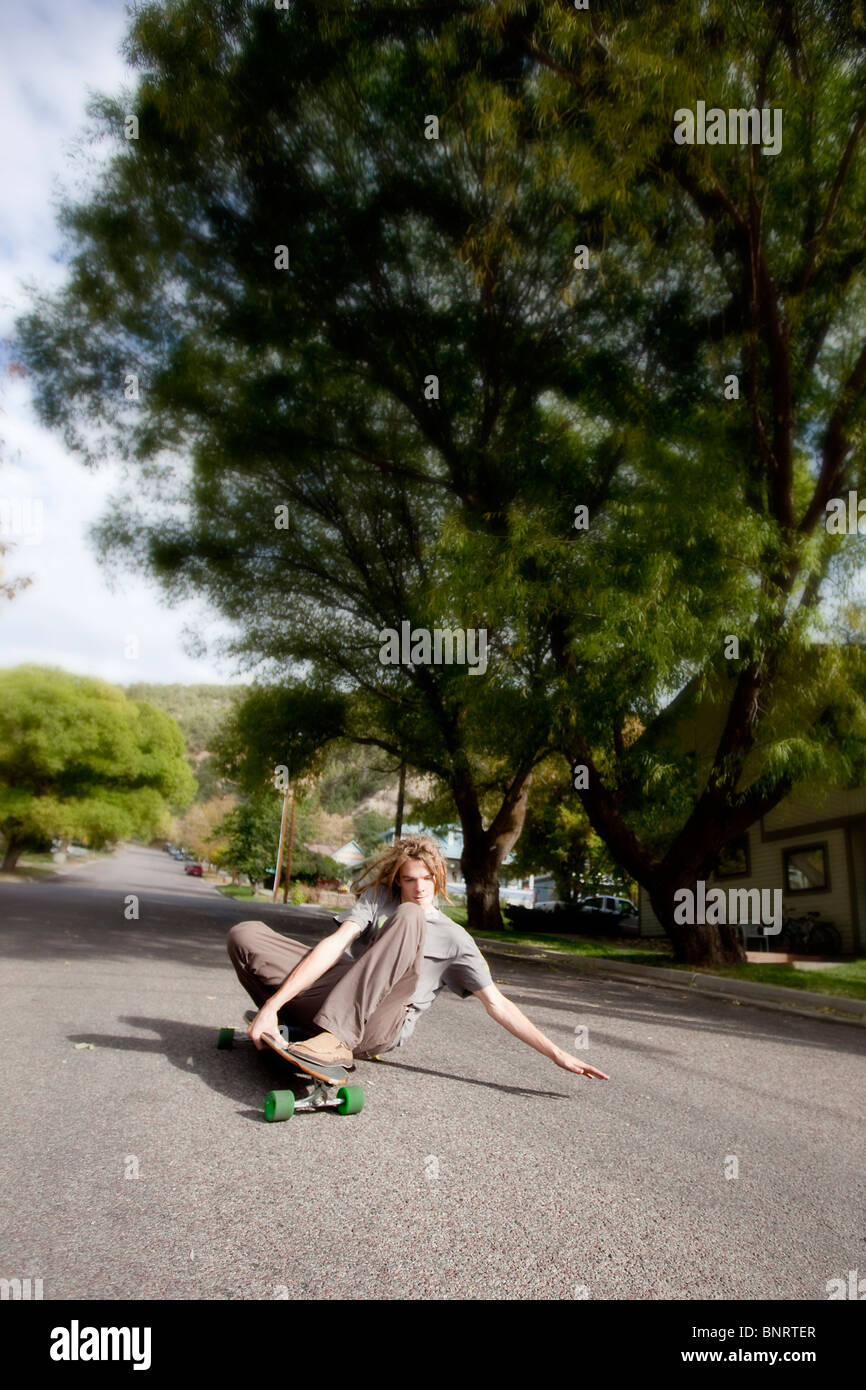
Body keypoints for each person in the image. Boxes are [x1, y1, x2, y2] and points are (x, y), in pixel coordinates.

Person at [227, 834, 609, 1079]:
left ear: (438, 879)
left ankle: (333, 1039)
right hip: (338, 995)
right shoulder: (379, 899)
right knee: (245, 935)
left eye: (427, 879)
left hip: (381, 1023)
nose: (419, 887)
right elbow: (334, 943)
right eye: (410, 879)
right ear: (398, 880)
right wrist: (272, 1006)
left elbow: (498, 1004)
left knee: (411, 917)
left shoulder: (456, 939)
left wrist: (558, 1054)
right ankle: (295, 1024)